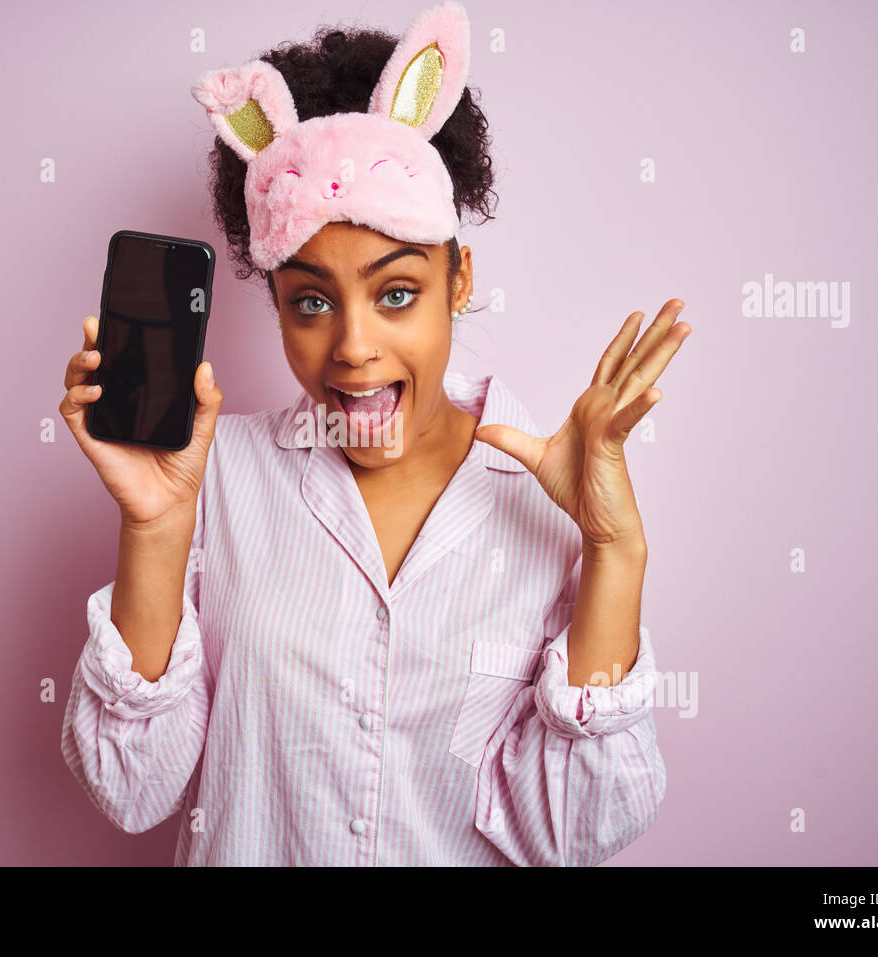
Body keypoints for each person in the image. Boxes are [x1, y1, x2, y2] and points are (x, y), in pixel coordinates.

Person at [58, 0, 690, 866]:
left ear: (457, 278)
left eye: (396, 292)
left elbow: (574, 829)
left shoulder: (550, 501)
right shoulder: (217, 479)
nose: (353, 349)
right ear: (276, 303)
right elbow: (130, 790)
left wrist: (613, 547)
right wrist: (156, 526)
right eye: (311, 301)